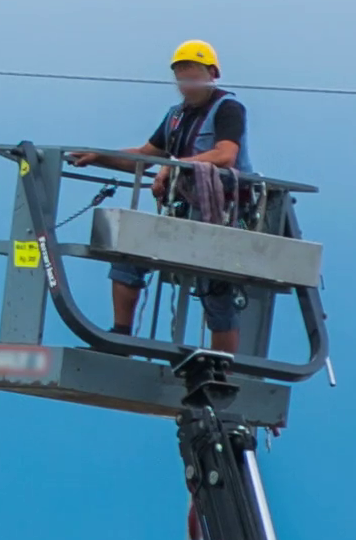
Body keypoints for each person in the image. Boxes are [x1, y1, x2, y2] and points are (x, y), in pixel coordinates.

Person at [69, 40, 252, 351]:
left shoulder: (228, 109)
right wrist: (98, 156)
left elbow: (225, 155)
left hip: (223, 216)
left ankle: (222, 367)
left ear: (212, 73)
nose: (186, 83)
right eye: (181, 76)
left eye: (193, 74)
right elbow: (145, 155)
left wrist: (175, 166)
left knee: (217, 292)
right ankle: (120, 338)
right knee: (129, 256)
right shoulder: (176, 116)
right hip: (183, 211)